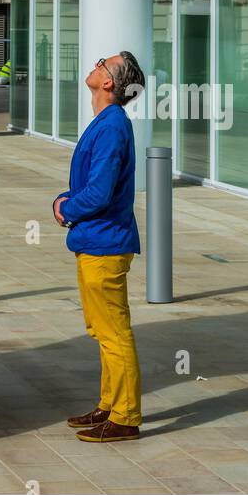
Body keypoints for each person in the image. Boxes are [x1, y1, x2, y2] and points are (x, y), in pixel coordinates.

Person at [53, 51, 144, 443]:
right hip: (98, 240)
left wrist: (66, 208)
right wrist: (67, 201)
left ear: (109, 82)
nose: (94, 65)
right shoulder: (107, 122)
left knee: (114, 333)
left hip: (105, 243)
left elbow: (100, 193)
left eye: (101, 62)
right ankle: (110, 405)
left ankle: (125, 416)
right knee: (102, 330)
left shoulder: (110, 127)